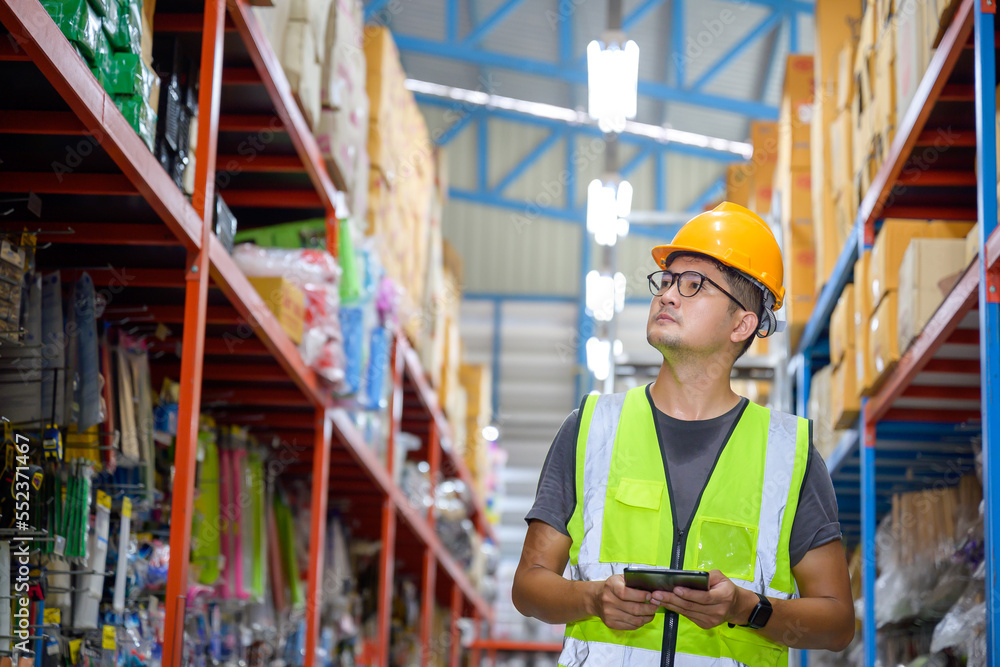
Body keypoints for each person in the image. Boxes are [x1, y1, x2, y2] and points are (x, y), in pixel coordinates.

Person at [511, 202, 855, 666]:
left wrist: (745, 608)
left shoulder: (788, 453)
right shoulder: (590, 430)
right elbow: (529, 587)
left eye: (694, 285)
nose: (668, 295)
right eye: (667, 280)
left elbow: (836, 625)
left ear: (742, 324)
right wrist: (593, 599)